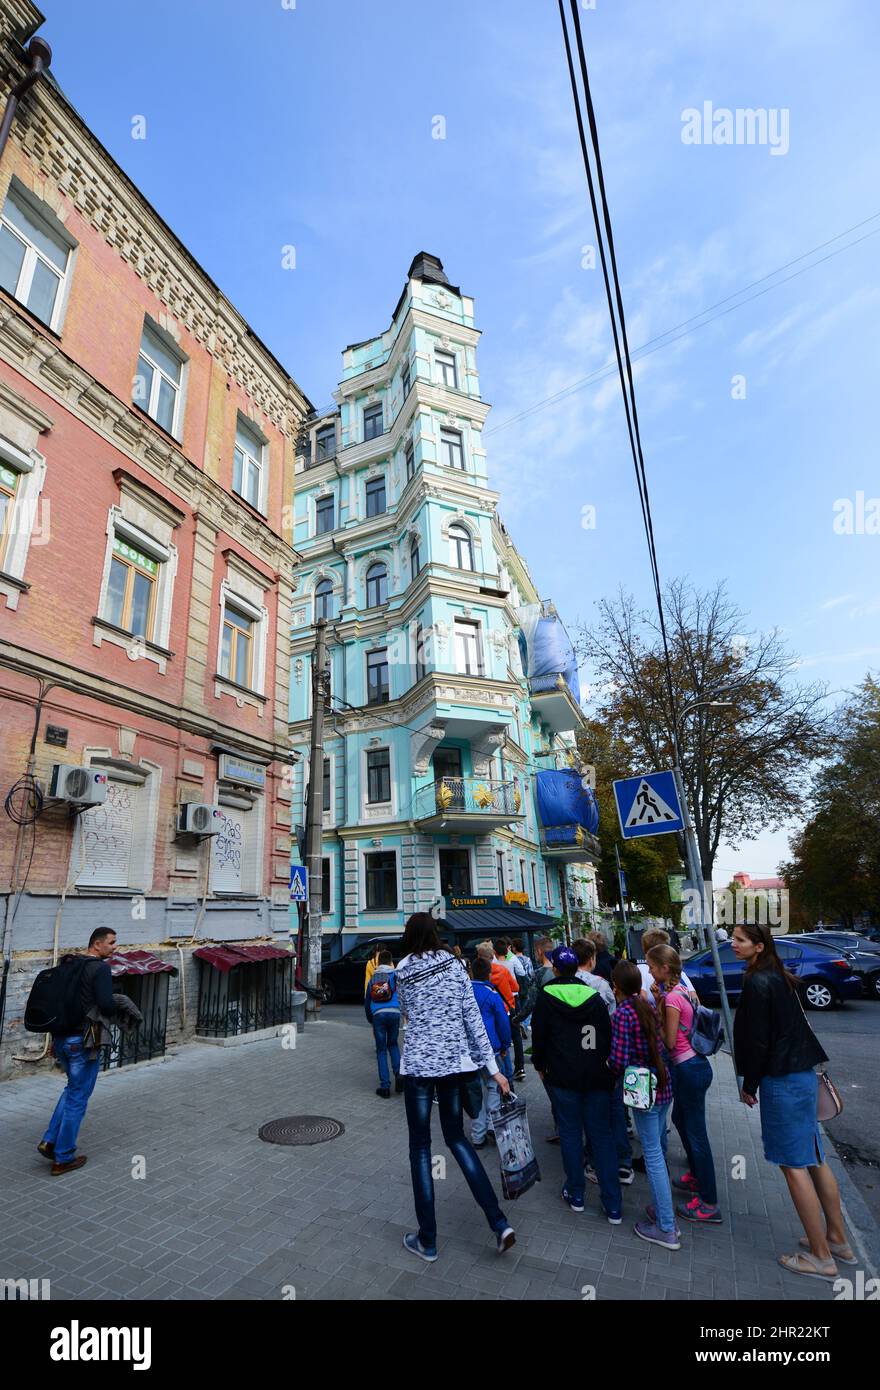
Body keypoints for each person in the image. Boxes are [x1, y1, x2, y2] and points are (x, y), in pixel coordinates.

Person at [732, 922, 855, 1280]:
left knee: (792, 1164)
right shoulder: (778, 975)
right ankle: (837, 1240)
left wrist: (749, 1084)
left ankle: (820, 1257)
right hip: (802, 1074)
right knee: (815, 1157)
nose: (733, 944)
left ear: (758, 946)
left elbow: (757, 1041)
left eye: (740, 940)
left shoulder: (757, 981)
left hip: (782, 1080)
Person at [395, 913, 515, 1261]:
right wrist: (494, 1069)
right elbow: (472, 1019)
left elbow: (407, 1014)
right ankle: (499, 1223)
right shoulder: (454, 965)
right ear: (436, 935)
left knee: (420, 1149)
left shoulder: (402, 970)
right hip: (452, 1067)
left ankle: (428, 1241)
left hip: (419, 1067)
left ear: (409, 936)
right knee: (457, 1140)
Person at [530, 945, 622, 1222]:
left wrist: (539, 1066)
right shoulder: (594, 997)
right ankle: (613, 1205)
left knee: (570, 1134)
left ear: (555, 968)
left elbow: (540, 1036)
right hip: (595, 1075)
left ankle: (576, 1193)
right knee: (602, 1136)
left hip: (562, 1075)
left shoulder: (546, 996)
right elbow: (603, 1037)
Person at [646, 944, 722, 1225]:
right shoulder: (680, 992)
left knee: (697, 1134)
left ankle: (709, 1202)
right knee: (680, 1118)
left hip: (688, 1068)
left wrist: (656, 1008)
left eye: (653, 968)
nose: (650, 972)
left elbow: (668, 1040)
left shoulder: (671, 999)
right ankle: (697, 1177)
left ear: (665, 969)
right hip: (694, 1065)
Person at [610, 961, 679, 1249]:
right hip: (662, 1085)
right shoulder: (647, 1005)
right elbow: (662, 1044)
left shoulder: (623, 1014)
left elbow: (619, 1060)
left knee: (652, 1157)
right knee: (657, 1151)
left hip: (643, 1091)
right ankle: (663, 1211)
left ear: (616, 988)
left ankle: (666, 1227)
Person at [38, 928, 118, 1175]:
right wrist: (119, 1006)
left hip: (61, 1039)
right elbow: (106, 1004)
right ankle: (63, 1158)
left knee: (72, 1090)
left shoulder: (70, 964)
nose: (115, 947)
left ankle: (49, 1140)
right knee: (78, 1098)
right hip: (82, 1042)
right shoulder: (100, 969)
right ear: (97, 944)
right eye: (112, 943)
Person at [573, 938, 634, 1185]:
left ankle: (594, 1161)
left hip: (580, 1056)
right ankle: (622, 1162)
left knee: (590, 1112)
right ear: (592, 959)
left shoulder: (565, 984)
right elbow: (612, 1020)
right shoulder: (602, 986)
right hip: (607, 1055)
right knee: (615, 1109)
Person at [470, 957, 512, 1148]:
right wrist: (504, 1045)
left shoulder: (464, 992)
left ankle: (477, 1136)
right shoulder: (491, 994)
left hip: (468, 1052)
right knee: (494, 1086)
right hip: (490, 1049)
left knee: (475, 1092)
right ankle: (492, 1125)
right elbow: (503, 1023)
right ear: (489, 974)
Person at [364, 949, 402, 1099]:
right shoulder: (395, 975)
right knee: (393, 1044)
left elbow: (367, 1001)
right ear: (391, 962)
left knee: (381, 1050)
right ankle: (399, 1074)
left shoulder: (373, 978)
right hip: (394, 1013)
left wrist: (370, 1018)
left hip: (378, 1015)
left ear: (378, 962)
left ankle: (385, 1087)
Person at [637, 928, 695, 998]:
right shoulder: (677, 972)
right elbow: (695, 1001)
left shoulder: (640, 970)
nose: (650, 971)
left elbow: (642, 999)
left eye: (651, 968)